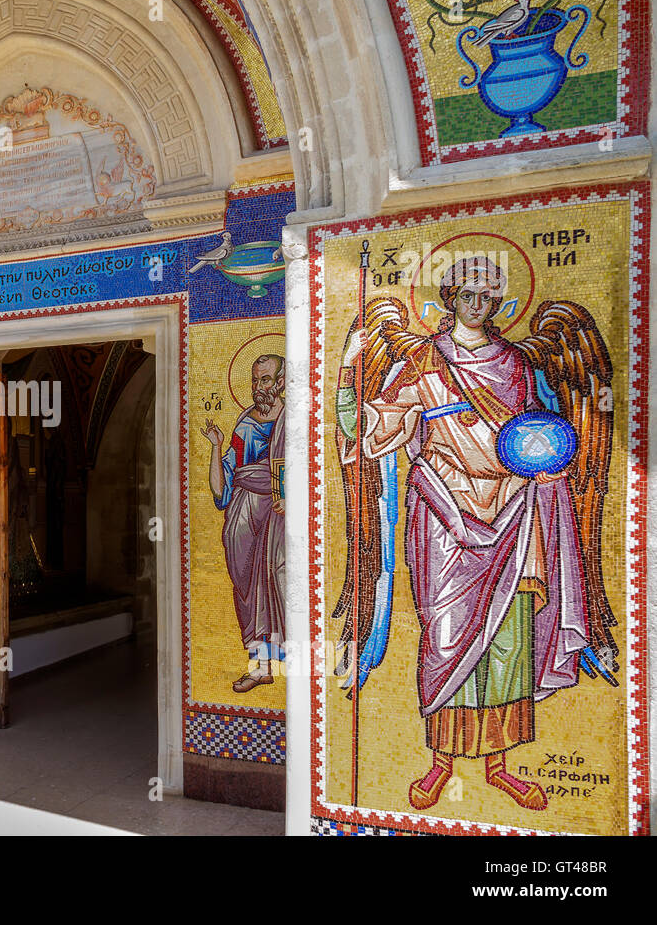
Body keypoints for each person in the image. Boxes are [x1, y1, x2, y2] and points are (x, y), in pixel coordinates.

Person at [338, 257, 588, 812]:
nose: (479, 305)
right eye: (468, 294)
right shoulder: (423, 361)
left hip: (512, 507)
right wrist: (349, 390)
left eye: (488, 297)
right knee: (446, 631)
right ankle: (440, 764)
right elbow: (382, 423)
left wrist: (550, 456)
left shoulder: (516, 363)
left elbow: (533, 427)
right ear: (449, 297)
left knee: (508, 636)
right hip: (444, 509)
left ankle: (500, 765)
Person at [201, 354, 286, 693]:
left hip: (279, 513)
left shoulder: (293, 420)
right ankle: (259, 665)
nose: (258, 387)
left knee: (278, 580)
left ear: (280, 382)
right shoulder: (245, 425)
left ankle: (286, 664)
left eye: (265, 380)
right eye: (254, 380)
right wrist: (216, 446)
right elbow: (225, 479)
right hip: (243, 512)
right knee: (246, 587)